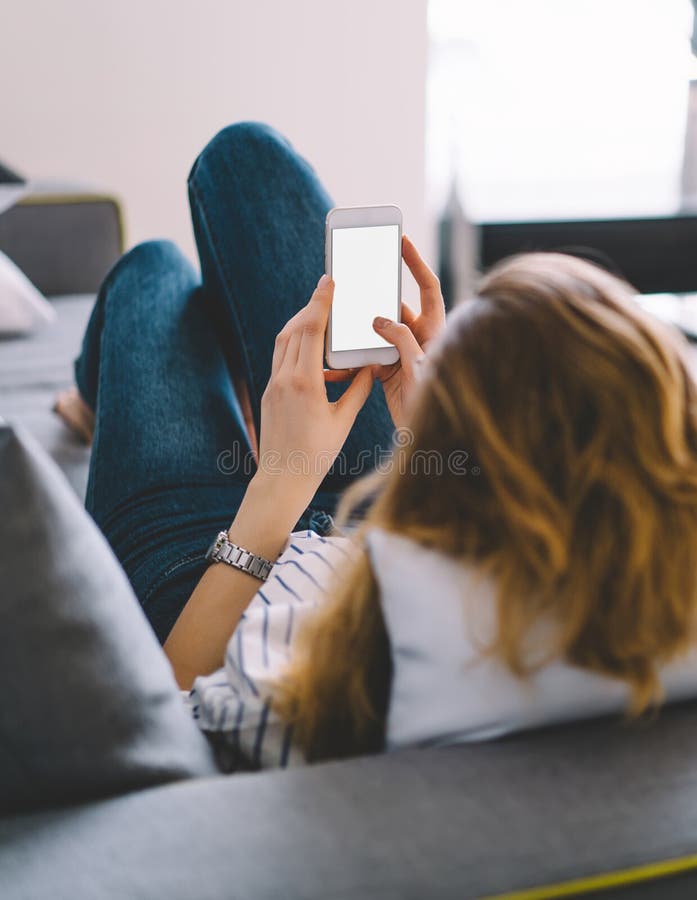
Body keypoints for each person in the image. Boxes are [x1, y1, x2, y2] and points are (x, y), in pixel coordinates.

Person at [61, 122, 697, 772]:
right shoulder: (663, 579)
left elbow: (166, 709)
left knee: (153, 273)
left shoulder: (355, 671)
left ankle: (101, 403)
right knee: (243, 158)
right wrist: (430, 440)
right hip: (415, 513)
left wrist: (280, 480)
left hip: (217, 575)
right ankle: (248, 402)